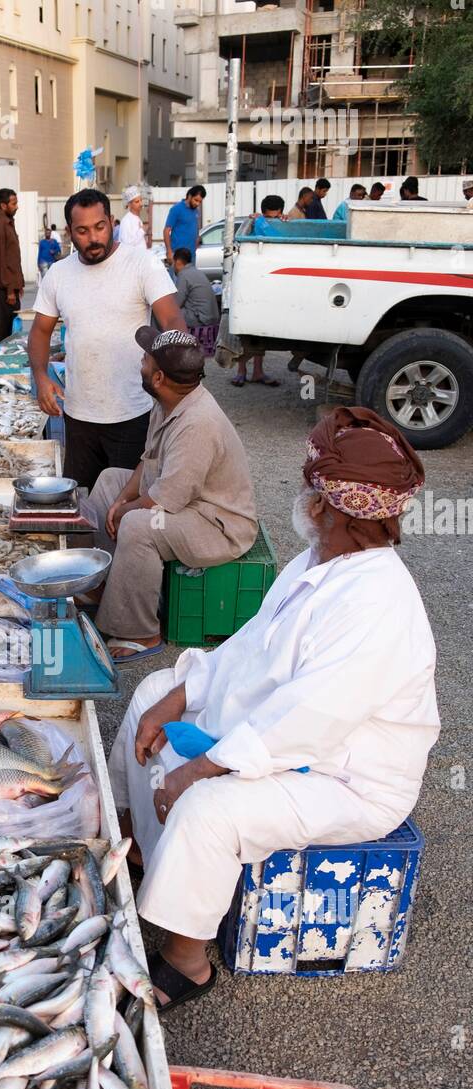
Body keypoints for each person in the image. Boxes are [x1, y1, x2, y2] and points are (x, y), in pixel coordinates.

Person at [108, 406, 438, 1010]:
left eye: (312, 488)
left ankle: (188, 959)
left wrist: (198, 769)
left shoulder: (377, 602)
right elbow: (247, 650)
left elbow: (308, 722)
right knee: (152, 696)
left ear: (332, 508)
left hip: (347, 777)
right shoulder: (314, 563)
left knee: (210, 806)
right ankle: (134, 849)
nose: (303, 497)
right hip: (291, 736)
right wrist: (179, 698)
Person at [87, 330, 257, 663]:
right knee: (109, 482)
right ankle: (105, 587)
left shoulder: (198, 423)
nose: (141, 363)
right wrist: (121, 498)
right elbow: (148, 461)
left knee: (138, 524)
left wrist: (125, 512)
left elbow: (167, 498)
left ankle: (141, 632)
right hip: (189, 504)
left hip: (218, 524)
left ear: (159, 377)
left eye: (145, 359)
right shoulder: (169, 401)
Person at [29, 188, 186, 490]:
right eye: (83, 231)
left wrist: (176, 369)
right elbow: (39, 331)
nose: (94, 238)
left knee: (125, 503)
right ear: (70, 232)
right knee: (82, 500)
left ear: (112, 222)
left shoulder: (142, 263)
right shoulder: (59, 274)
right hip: (78, 415)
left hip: (133, 411)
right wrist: (40, 376)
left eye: (100, 227)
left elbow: (172, 319)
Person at [232, 198, 284, 387]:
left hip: (266, 286)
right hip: (252, 287)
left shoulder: (271, 222)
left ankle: (257, 372)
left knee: (261, 332)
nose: (272, 220)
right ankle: (242, 371)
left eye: (276, 216)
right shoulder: (257, 224)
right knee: (247, 333)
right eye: (270, 216)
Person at [0, 188, 25, 344]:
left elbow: (13, 258)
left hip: (11, 289)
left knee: (12, 335)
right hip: (3, 291)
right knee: (3, 335)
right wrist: (10, 290)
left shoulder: (8, 224)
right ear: (3, 205)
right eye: (13, 203)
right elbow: (1, 262)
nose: (16, 206)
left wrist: (19, 284)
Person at [171, 247, 219, 329]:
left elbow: (176, 303)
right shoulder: (198, 272)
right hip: (212, 317)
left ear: (178, 262)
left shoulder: (183, 275)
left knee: (167, 311)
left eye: (173, 262)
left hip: (200, 319)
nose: (172, 266)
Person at [164, 186, 205, 265]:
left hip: (191, 256)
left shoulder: (196, 211)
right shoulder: (176, 209)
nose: (197, 203)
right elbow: (166, 231)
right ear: (189, 196)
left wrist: (196, 245)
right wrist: (169, 252)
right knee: (177, 277)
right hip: (178, 255)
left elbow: (195, 230)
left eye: (200, 202)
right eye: (196, 200)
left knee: (190, 277)